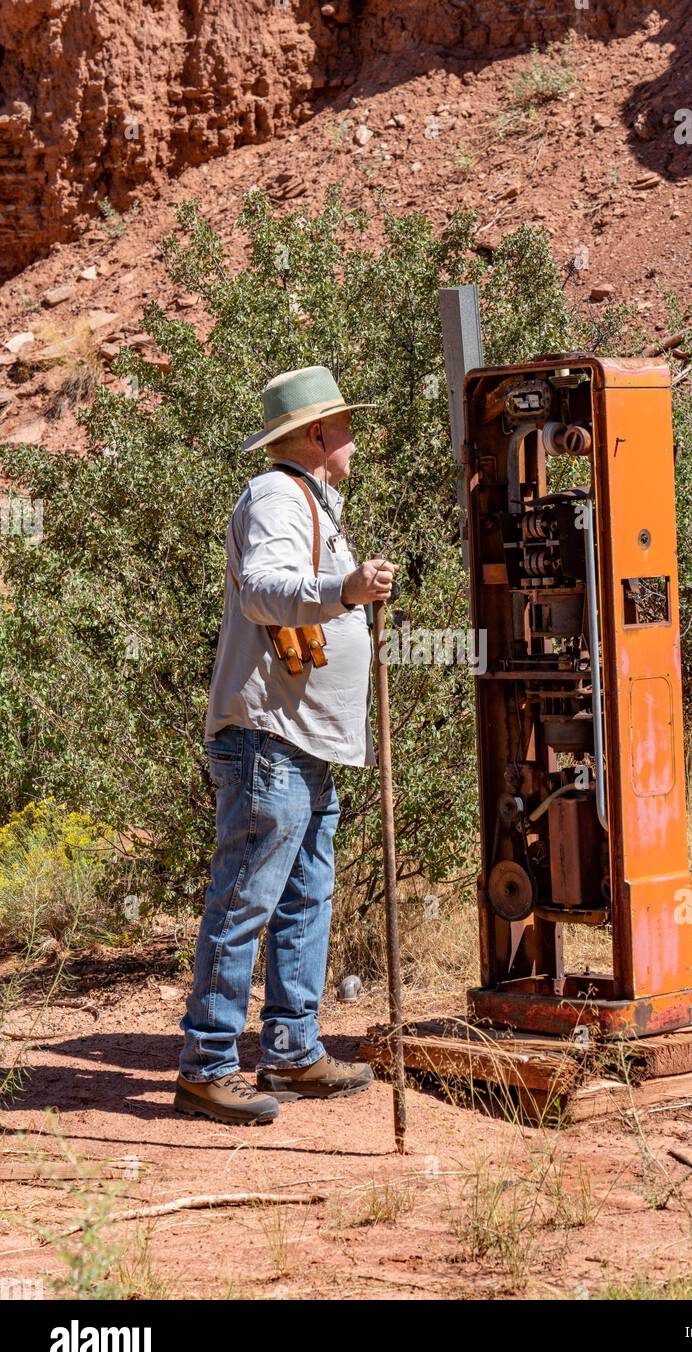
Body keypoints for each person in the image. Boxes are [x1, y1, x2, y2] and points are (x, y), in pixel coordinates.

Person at [175, 365, 396, 1124]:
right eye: (344, 427)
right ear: (316, 436)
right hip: (269, 738)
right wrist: (347, 590)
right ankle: (207, 1064)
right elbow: (266, 589)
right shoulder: (277, 494)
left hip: (298, 740)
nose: (353, 440)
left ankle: (293, 1052)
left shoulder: (311, 502)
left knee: (302, 896)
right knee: (247, 899)